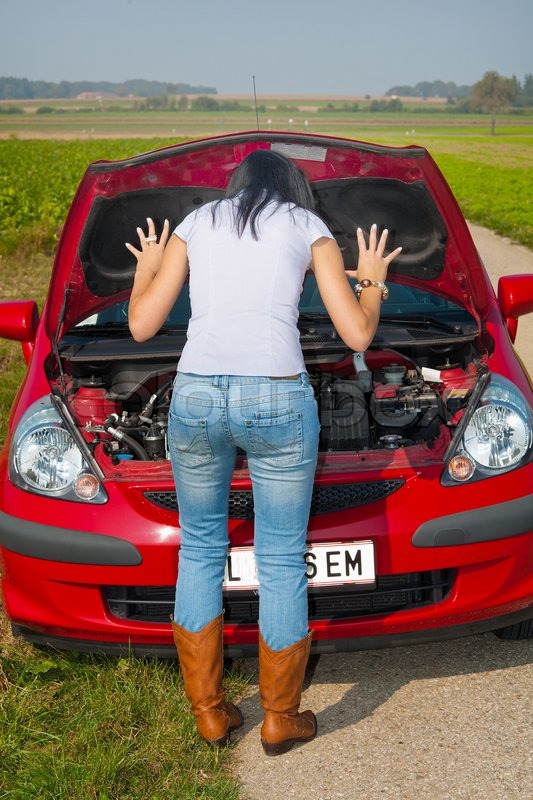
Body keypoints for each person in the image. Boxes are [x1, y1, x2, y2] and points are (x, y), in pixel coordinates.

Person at [127, 149, 402, 755]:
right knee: (279, 557)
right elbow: (357, 333)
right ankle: (281, 716)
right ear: (294, 186)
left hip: (196, 394)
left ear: (236, 185)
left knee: (200, 547)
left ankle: (209, 712)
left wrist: (147, 270)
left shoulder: (197, 222)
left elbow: (142, 326)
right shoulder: (307, 226)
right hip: (278, 396)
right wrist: (372, 279)